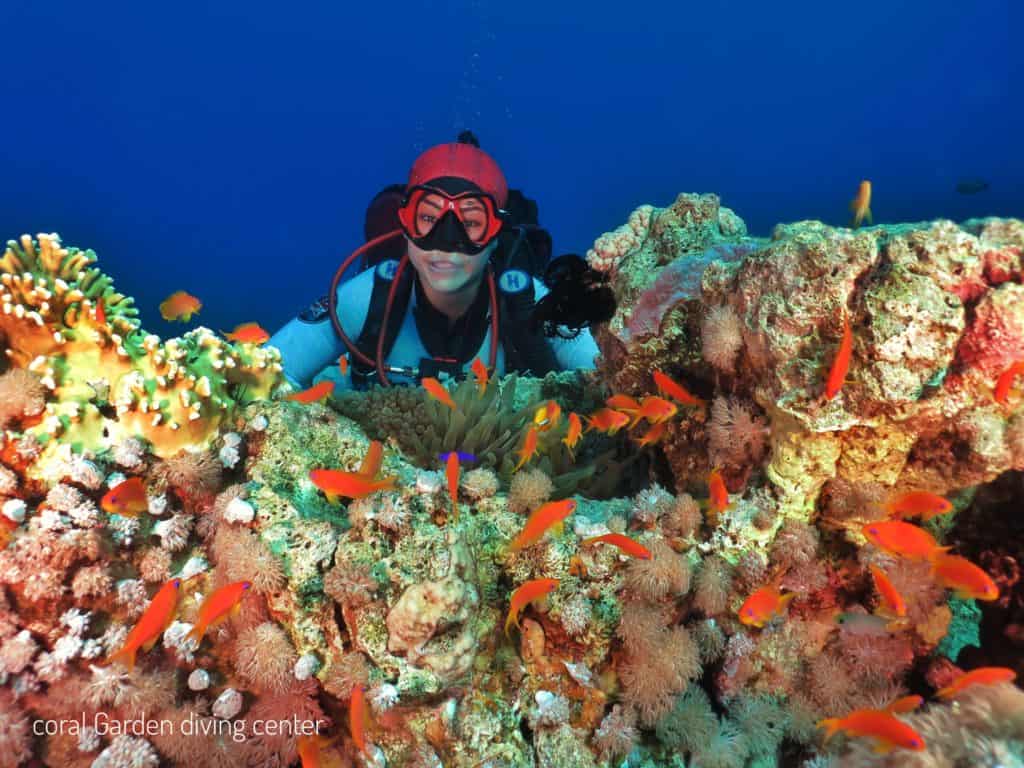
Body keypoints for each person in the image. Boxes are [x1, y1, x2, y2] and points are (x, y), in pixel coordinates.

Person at [269, 132, 615, 391]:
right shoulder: (374, 294)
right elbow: (267, 370)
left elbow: (608, 386)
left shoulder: (529, 303)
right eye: (428, 218)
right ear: (405, 224)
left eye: (471, 222)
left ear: (496, 235)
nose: (446, 243)